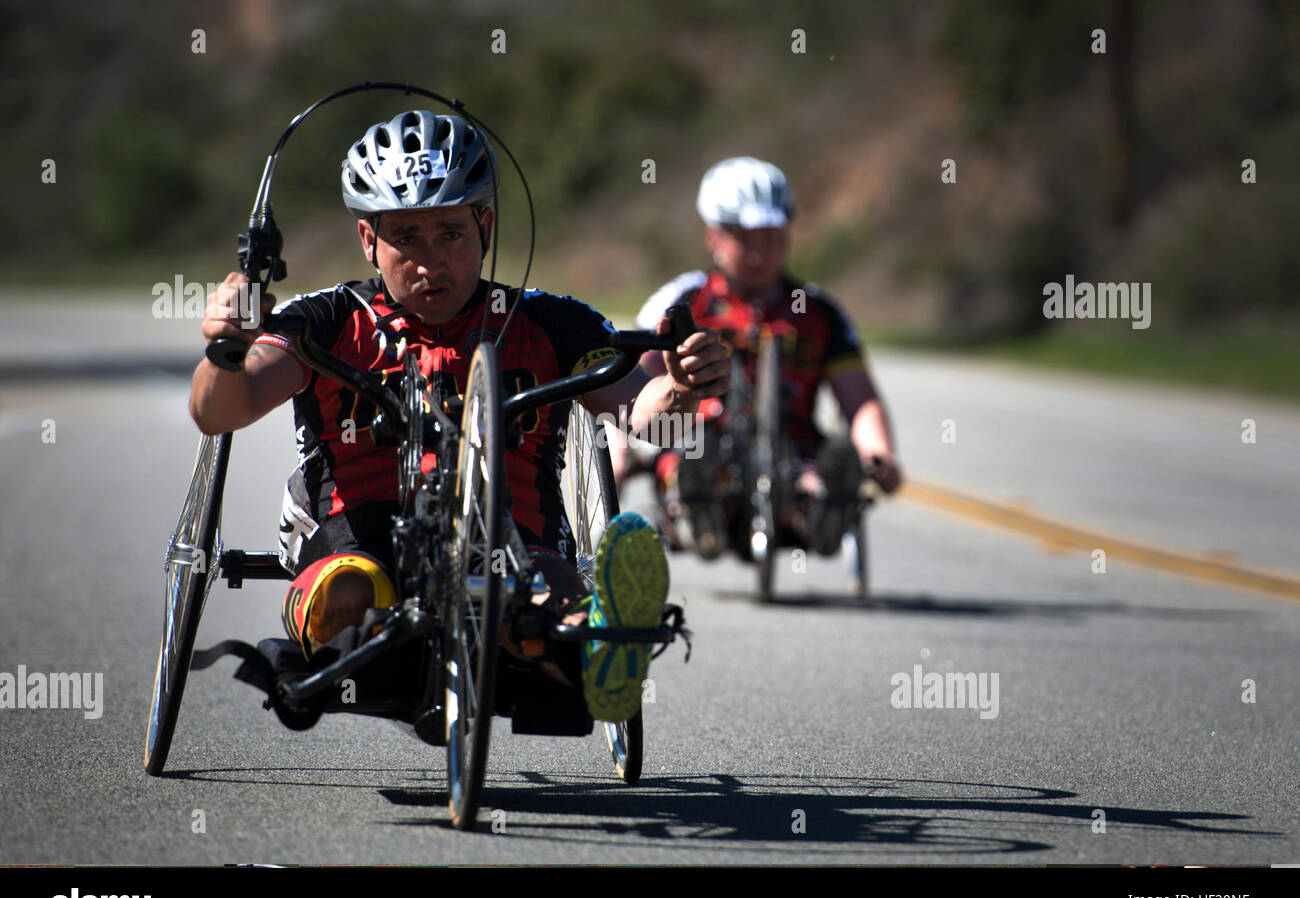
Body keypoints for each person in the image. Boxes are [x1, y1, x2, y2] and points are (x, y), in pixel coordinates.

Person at [189, 110, 728, 721]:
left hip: (512, 540)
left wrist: (682, 387)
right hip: (357, 533)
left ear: (486, 226)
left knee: (537, 607)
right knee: (350, 592)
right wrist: (225, 351)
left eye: (450, 233)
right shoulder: (327, 320)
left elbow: (645, 415)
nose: (430, 261)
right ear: (369, 240)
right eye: (407, 238)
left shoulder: (551, 323)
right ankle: (403, 647)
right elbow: (220, 412)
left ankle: (598, 647)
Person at [612, 156, 902, 560]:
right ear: (714, 236)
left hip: (793, 454)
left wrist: (879, 455)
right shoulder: (683, 301)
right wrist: (620, 452)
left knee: (815, 473)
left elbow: (860, 399)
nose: (759, 253)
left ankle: (822, 511)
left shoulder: (818, 313)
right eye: (744, 239)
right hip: (700, 441)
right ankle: (698, 510)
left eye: (771, 239)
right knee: (695, 455)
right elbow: (629, 385)